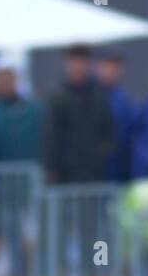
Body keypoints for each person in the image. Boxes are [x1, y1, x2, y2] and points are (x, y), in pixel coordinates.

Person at [44, 45, 113, 184]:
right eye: (74, 62)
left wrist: (103, 151)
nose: (78, 67)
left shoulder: (98, 94)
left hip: (94, 169)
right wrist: (51, 167)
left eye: (81, 62)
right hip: (67, 172)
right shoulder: (58, 96)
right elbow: (51, 134)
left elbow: (107, 127)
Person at [93, 50, 135, 181]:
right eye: (108, 65)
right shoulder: (88, 95)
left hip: (119, 168)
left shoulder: (123, 98)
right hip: (93, 169)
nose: (112, 69)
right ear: (98, 67)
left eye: (116, 66)